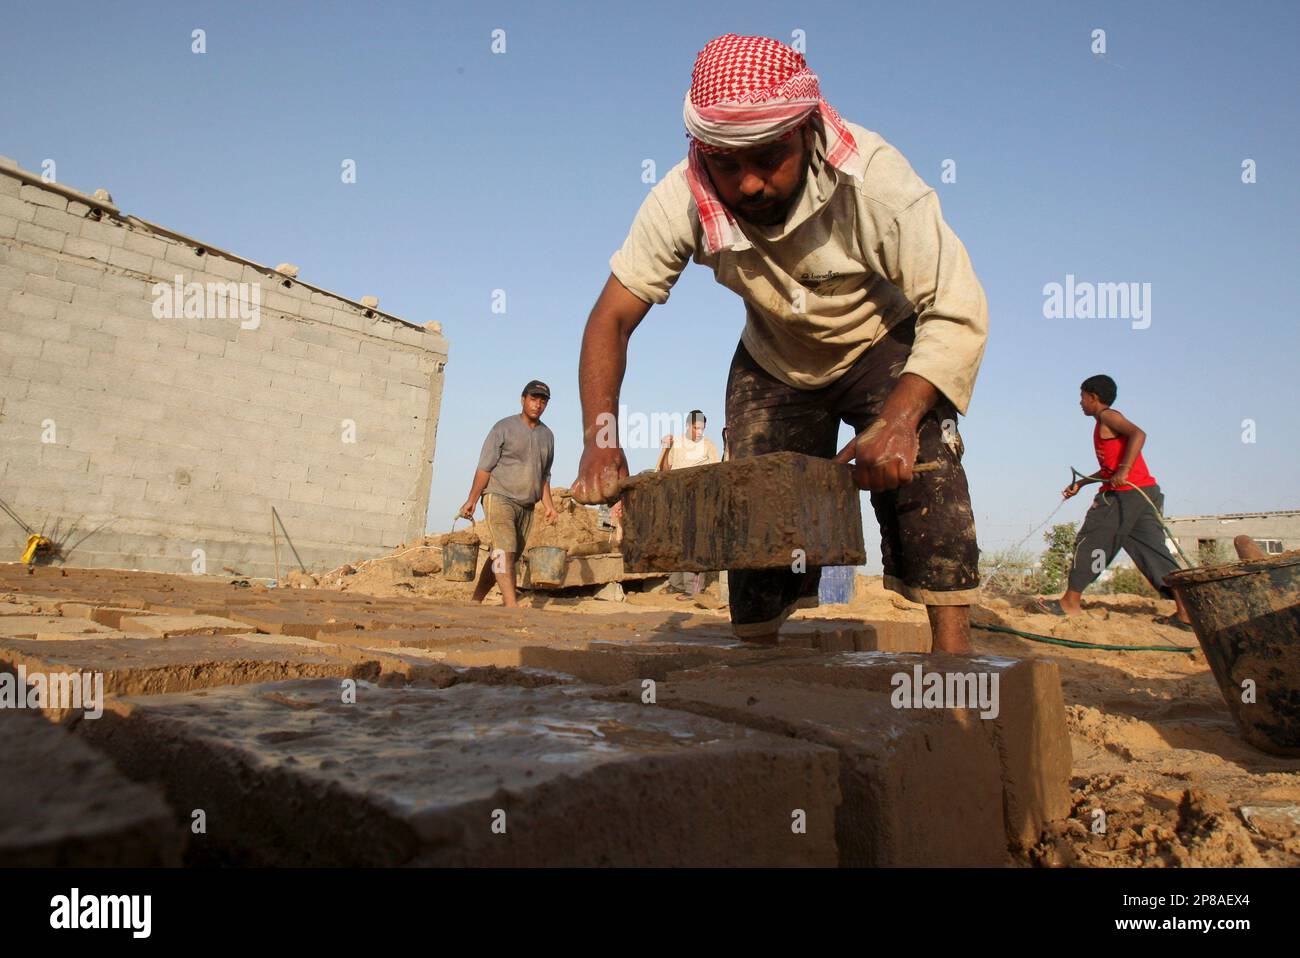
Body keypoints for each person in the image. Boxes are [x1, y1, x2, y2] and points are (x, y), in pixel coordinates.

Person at [571, 34, 988, 652]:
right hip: (774, 361)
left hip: (881, 347)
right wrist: (599, 441)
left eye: (768, 159)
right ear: (703, 153)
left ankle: (953, 662)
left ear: (806, 133)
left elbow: (955, 305)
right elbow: (610, 319)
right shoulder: (680, 199)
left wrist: (899, 417)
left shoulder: (876, 184)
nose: (748, 185)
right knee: (756, 509)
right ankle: (760, 668)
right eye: (727, 165)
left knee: (927, 473)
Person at [1045, 375, 1192, 629]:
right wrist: (1081, 484)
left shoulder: (1107, 417)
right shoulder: (1102, 423)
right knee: (1152, 551)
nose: (1080, 402)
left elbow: (1139, 434)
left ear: (1093, 398)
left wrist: (1124, 470)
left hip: (1125, 495)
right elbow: (1109, 470)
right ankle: (1186, 612)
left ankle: (1070, 602)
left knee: (1091, 539)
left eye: (1082, 397)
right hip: (1144, 492)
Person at [460, 380, 558, 607]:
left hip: (526, 504)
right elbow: (484, 467)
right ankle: (511, 606)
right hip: (499, 495)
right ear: (523, 399)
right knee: (505, 549)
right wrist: (472, 499)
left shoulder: (548, 436)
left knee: (502, 553)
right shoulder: (503, 428)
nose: (538, 404)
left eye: (543, 401)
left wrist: (550, 506)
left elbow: (544, 475)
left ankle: (476, 600)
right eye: (533, 399)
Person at [657, 410, 721, 597]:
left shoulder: (708, 445)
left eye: (701, 428)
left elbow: (717, 471)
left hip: (698, 499)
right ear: (688, 426)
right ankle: (676, 584)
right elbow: (664, 469)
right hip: (677, 499)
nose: (698, 431)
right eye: (695, 427)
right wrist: (666, 448)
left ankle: (693, 590)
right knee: (677, 542)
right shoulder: (675, 443)